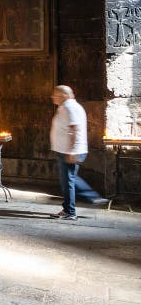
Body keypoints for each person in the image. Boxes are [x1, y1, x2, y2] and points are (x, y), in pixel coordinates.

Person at [49, 85, 109, 220]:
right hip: (65, 150)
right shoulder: (66, 107)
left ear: (64, 95)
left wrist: (72, 151)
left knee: (68, 180)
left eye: (56, 95)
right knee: (70, 179)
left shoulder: (70, 108)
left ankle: (70, 211)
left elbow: (74, 130)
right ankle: (92, 198)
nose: (53, 97)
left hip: (68, 150)